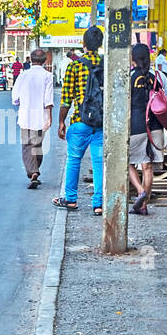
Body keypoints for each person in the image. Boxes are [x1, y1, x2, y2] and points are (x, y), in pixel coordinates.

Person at [54, 25, 105, 216]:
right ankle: (98, 204)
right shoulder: (106, 64)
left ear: (83, 44)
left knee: (74, 160)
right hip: (100, 123)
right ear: (100, 44)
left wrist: (61, 122)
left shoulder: (75, 66)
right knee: (99, 163)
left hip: (80, 121)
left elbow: (66, 98)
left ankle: (71, 200)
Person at [128, 42, 165, 215]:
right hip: (156, 126)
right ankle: (144, 205)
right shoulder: (157, 76)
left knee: (127, 162)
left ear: (133, 59)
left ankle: (140, 191)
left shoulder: (130, 77)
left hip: (136, 126)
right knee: (148, 167)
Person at [12, 47, 54, 188]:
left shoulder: (23, 75)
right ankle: (35, 170)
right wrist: (50, 117)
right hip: (41, 116)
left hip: (25, 115)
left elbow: (15, 98)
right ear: (44, 61)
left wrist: (21, 102)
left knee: (27, 146)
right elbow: (48, 100)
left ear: (31, 60)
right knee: (37, 145)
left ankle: (33, 171)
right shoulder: (48, 76)